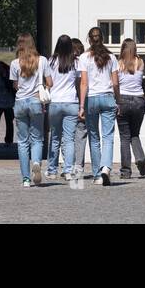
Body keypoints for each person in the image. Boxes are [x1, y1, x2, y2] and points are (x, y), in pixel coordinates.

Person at [78, 26, 120, 186]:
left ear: (89, 39)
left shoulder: (84, 57)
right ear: (102, 38)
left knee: (94, 137)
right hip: (108, 98)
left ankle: (97, 175)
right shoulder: (111, 57)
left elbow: (83, 83)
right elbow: (115, 83)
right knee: (108, 136)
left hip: (92, 99)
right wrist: (118, 100)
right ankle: (106, 169)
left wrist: (81, 106)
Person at [10, 33, 51, 187]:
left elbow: (15, 86)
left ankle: (26, 179)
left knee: (22, 141)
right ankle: (36, 162)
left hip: (20, 102)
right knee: (37, 138)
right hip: (36, 101)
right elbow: (50, 81)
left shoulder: (15, 63)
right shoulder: (42, 61)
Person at [45, 35, 81, 182]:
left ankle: (52, 170)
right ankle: (68, 171)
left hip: (55, 102)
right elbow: (79, 84)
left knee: (54, 137)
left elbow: (48, 82)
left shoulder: (51, 61)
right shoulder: (75, 62)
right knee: (69, 139)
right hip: (71, 102)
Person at [115, 38, 145, 178]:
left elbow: (115, 84)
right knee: (135, 134)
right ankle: (140, 158)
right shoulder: (141, 62)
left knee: (124, 137)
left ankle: (125, 171)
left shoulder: (118, 64)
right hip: (138, 100)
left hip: (122, 99)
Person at [70, 37, 89, 177]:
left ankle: (69, 165)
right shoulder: (84, 62)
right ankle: (79, 165)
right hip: (84, 100)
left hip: (70, 101)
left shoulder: (66, 63)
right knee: (81, 134)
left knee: (68, 135)